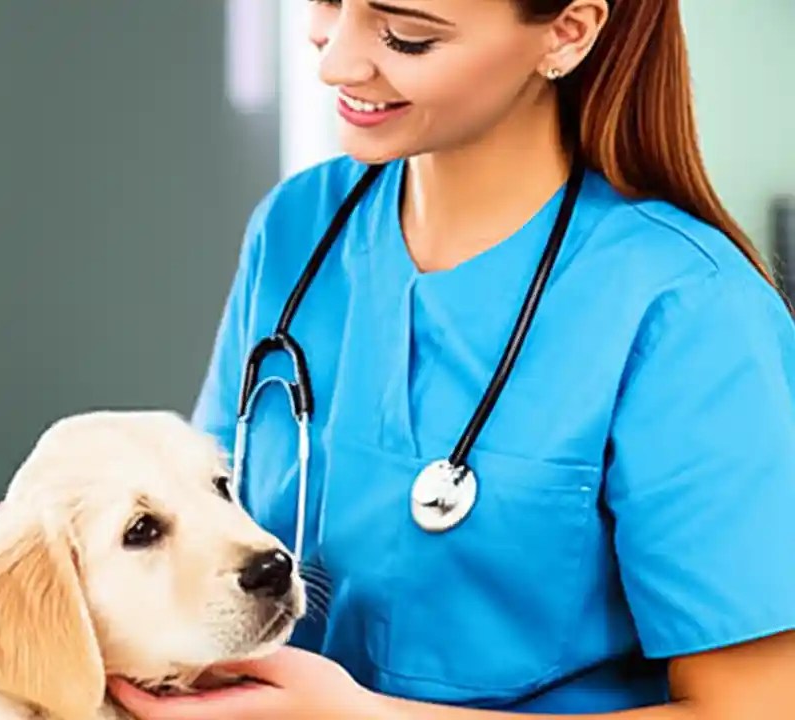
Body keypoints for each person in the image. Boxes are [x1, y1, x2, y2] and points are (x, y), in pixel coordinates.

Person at [108, 0, 795, 717]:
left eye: (406, 34)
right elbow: (193, 532)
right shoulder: (296, 227)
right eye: (328, 1)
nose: (335, 60)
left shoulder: (688, 308)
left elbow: (760, 709)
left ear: (568, 30)